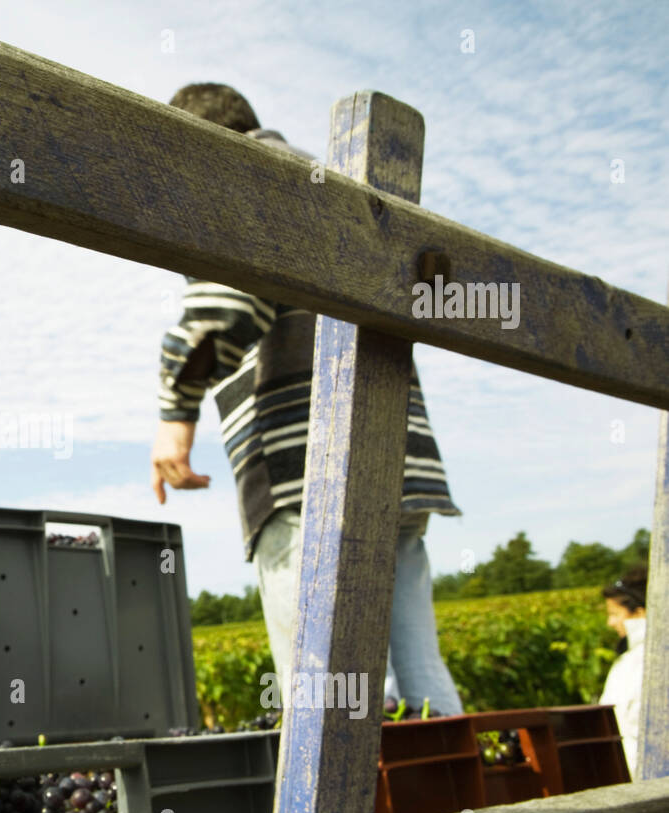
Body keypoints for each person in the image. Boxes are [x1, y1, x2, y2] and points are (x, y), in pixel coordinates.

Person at [150, 82, 464, 716]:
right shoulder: (345, 190)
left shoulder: (248, 181)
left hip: (304, 473)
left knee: (323, 689)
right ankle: (456, 799)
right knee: (417, 665)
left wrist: (175, 416)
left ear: (198, 144)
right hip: (397, 467)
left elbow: (222, 309)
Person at [600, 564, 647, 777]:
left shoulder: (640, 662)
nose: (610, 622)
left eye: (615, 613)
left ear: (640, 612)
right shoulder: (629, 660)